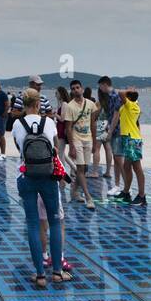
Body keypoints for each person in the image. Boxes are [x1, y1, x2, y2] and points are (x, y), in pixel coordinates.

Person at [12, 88, 68, 288]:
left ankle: (39, 274)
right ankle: (57, 273)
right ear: (38, 104)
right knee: (54, 222)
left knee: (33, 224)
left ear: (24, 105)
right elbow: (55, 149)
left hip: (27, 176)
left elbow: (19, 149)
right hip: (48, 177)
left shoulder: (17, 124)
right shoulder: (50, 123)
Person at [64, 80, 97, 209]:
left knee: (84, 169)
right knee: (80, 169)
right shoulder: (70, 106)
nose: (76, 90)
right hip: (76, 139)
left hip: (88, 139)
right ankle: (88, 197)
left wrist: (94, 142)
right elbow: (68, 128)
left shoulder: (91, 104)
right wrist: (71, 146)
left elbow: (93, 123)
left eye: (78, 87)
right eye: (73, 88)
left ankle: (74, 191)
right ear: (71, 91)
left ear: (82, 89)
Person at [112, 88, 145, 205]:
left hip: (132, 139)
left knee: (137, 167)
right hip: (129, 138)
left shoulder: (131, 105)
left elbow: (120, 93)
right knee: (126, 167)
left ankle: (142, 196)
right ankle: (126, 192)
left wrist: (128, 90)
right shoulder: (132, 106)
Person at [92, 77, 120, 180]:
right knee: (108, 149)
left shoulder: (101, 102)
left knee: (97, 149)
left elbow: (95, 114)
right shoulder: (113, 97)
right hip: (109, 124)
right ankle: (108, 171)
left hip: (101, 124)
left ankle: (95, 171)